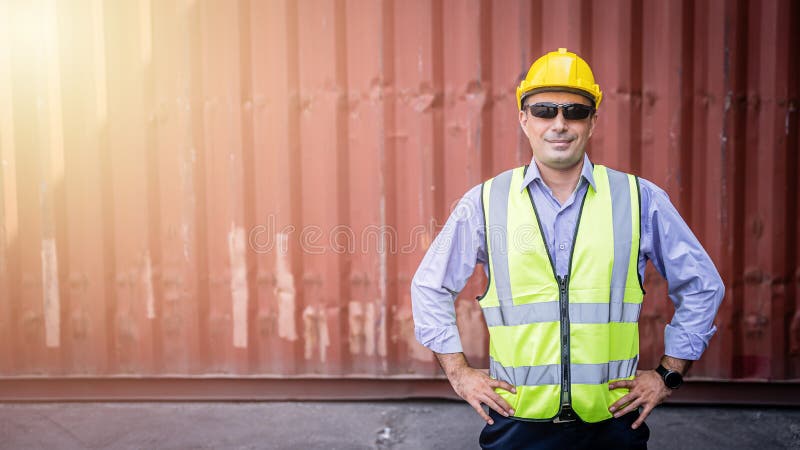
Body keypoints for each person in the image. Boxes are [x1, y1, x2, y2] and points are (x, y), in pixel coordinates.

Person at [410, 48, 725, 449]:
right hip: (516, 422)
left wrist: (667, 374)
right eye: (544, 110)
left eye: (575, 112)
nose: (559, 124)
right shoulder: (486, 202)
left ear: (593, 121)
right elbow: (429, 286)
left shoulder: (639, 198)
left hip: (612, 423)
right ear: (523, 118)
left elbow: (703, 285)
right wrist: (459, 373)